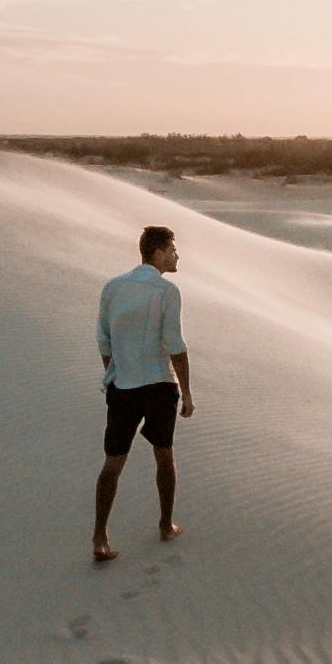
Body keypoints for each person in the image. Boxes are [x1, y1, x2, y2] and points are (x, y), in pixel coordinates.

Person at [94, 225, 194, 562]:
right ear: (158, 251)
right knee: (164, 455)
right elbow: (175, 346)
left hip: (122, 387)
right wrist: (188, 394)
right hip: (159, 385)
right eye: (173, 249)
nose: (177, 255)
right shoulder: (167, 291)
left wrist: (116, 371)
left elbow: (104, 340)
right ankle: (166, 525)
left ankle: (99, 538)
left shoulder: (112, 287)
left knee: (113, 463)